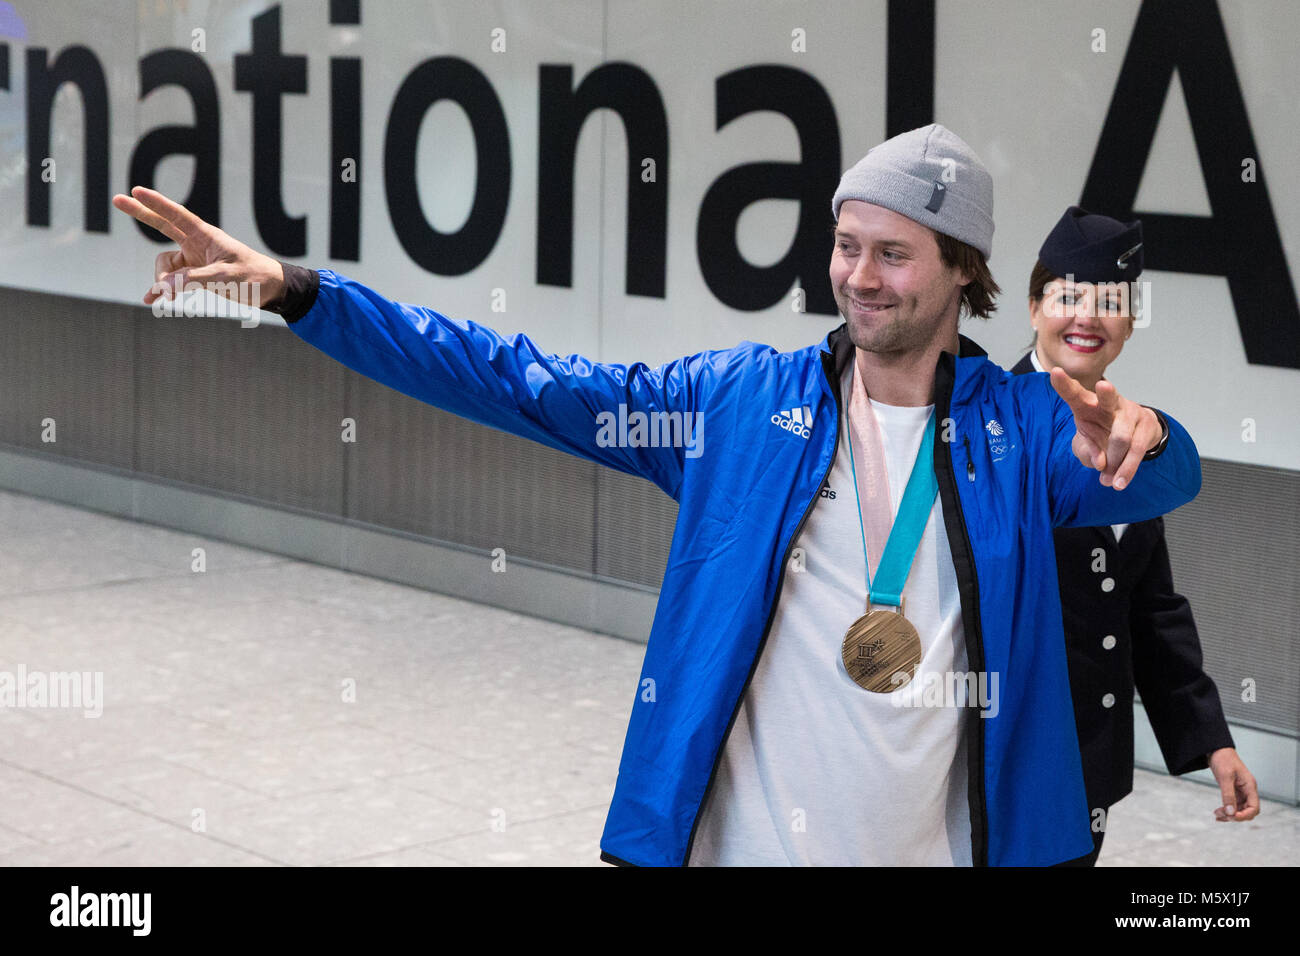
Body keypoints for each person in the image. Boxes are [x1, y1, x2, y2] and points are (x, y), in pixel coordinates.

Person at [112, 124, 1201, 867]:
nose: (860, 276)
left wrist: (1145, 438)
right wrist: (302, 293)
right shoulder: (738, 405)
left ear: (964, 268)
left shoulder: (1020, 430)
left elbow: (1158, 476)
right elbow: (514, 379)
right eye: (845, 245)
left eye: (894, 254)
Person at [1014, 207, 1259, 866]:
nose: (1088, 317)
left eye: (1110, 303)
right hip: (1003, 766)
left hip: (1088, 772)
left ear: (1129, 324)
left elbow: (1148, 607)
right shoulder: (987, 423)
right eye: (1069, 296)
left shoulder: (1135, 437)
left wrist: (1212, 739)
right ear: (1034, 307)